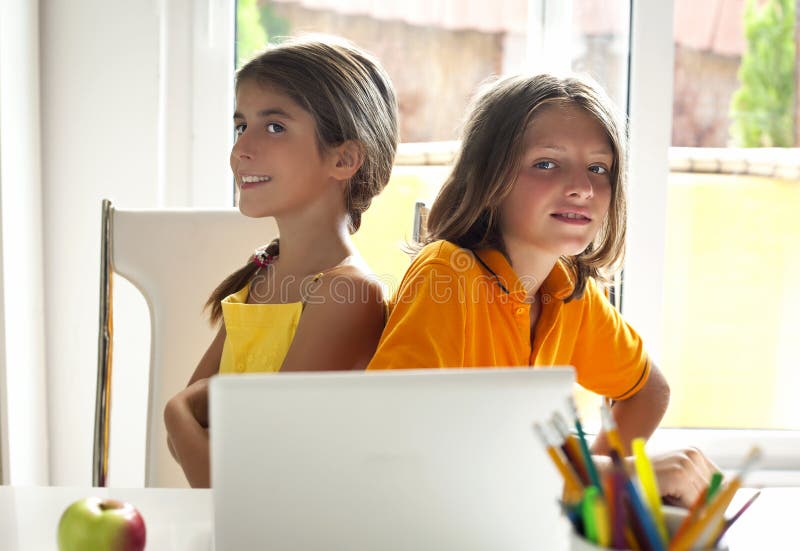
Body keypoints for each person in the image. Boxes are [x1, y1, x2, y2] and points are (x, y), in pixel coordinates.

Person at [367, 73, 716, 507]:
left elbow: (647, 391)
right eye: (546, 163)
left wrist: (585, 490)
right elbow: (395, 443)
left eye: (598, 168)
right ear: (488, 177)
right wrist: (608, 477)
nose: (582, 187)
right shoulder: (446, 276)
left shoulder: (570, 289)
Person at [164, 36, 398, 487]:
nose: (241, 150)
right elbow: (193, 444)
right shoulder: (263, 277)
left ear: (344, 158)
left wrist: (177, 413)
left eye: (273, 127)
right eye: (240, 126)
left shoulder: (346, 294)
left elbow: (240, 480)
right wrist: (188, 421)